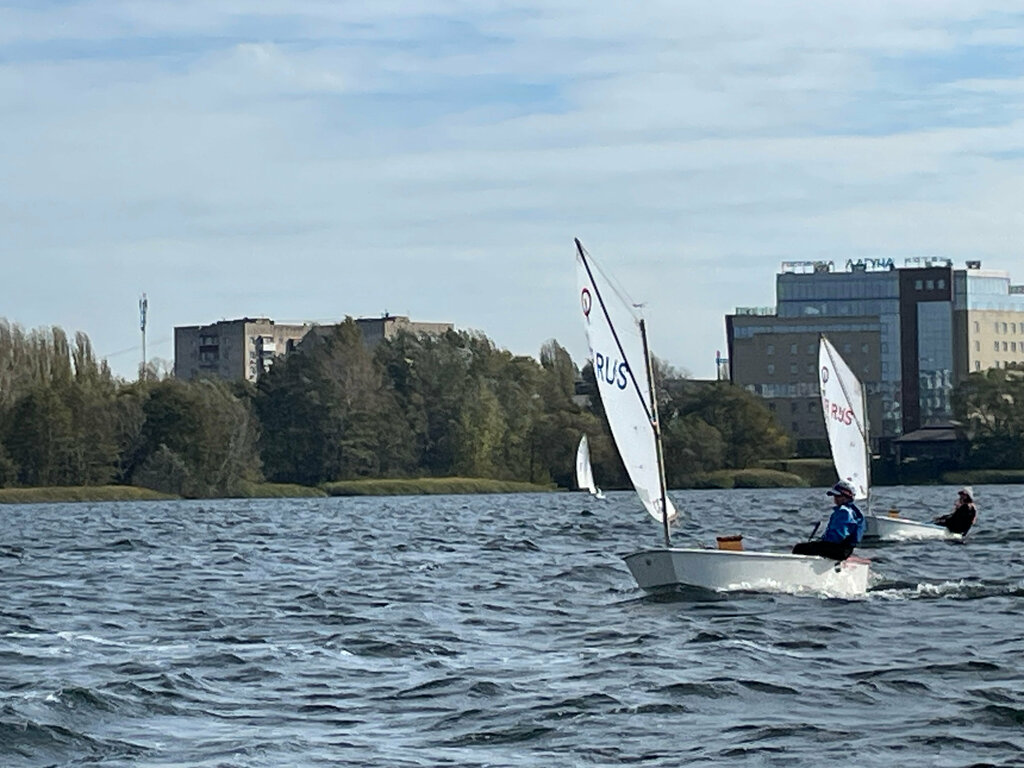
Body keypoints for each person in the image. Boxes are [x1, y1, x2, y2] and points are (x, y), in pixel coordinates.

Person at [792, 479, 866, 561]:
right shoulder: (853, 511)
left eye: (838, 496)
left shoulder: (844, 512)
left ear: (847, 497)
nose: (835, 498)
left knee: (798, 548)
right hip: (844, 550)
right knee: (812, 546)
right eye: (834, 496)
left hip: (839, 550)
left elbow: (838, 536)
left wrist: (822, 543)